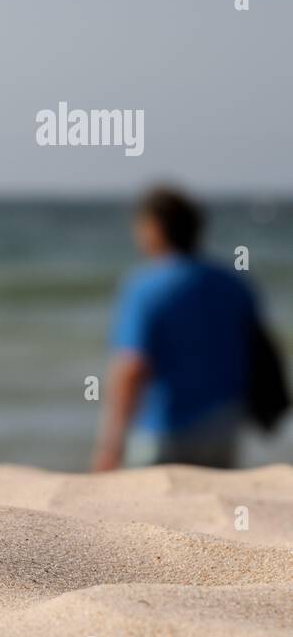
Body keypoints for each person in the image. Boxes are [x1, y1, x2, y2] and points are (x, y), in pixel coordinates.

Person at [92, 186, 265, 471]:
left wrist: (110, 446)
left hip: (163, 428)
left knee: (149, 511)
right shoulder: (234, 284)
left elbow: (132, 367)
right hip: (225, 424)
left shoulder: (144, 287)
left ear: (154, 229)